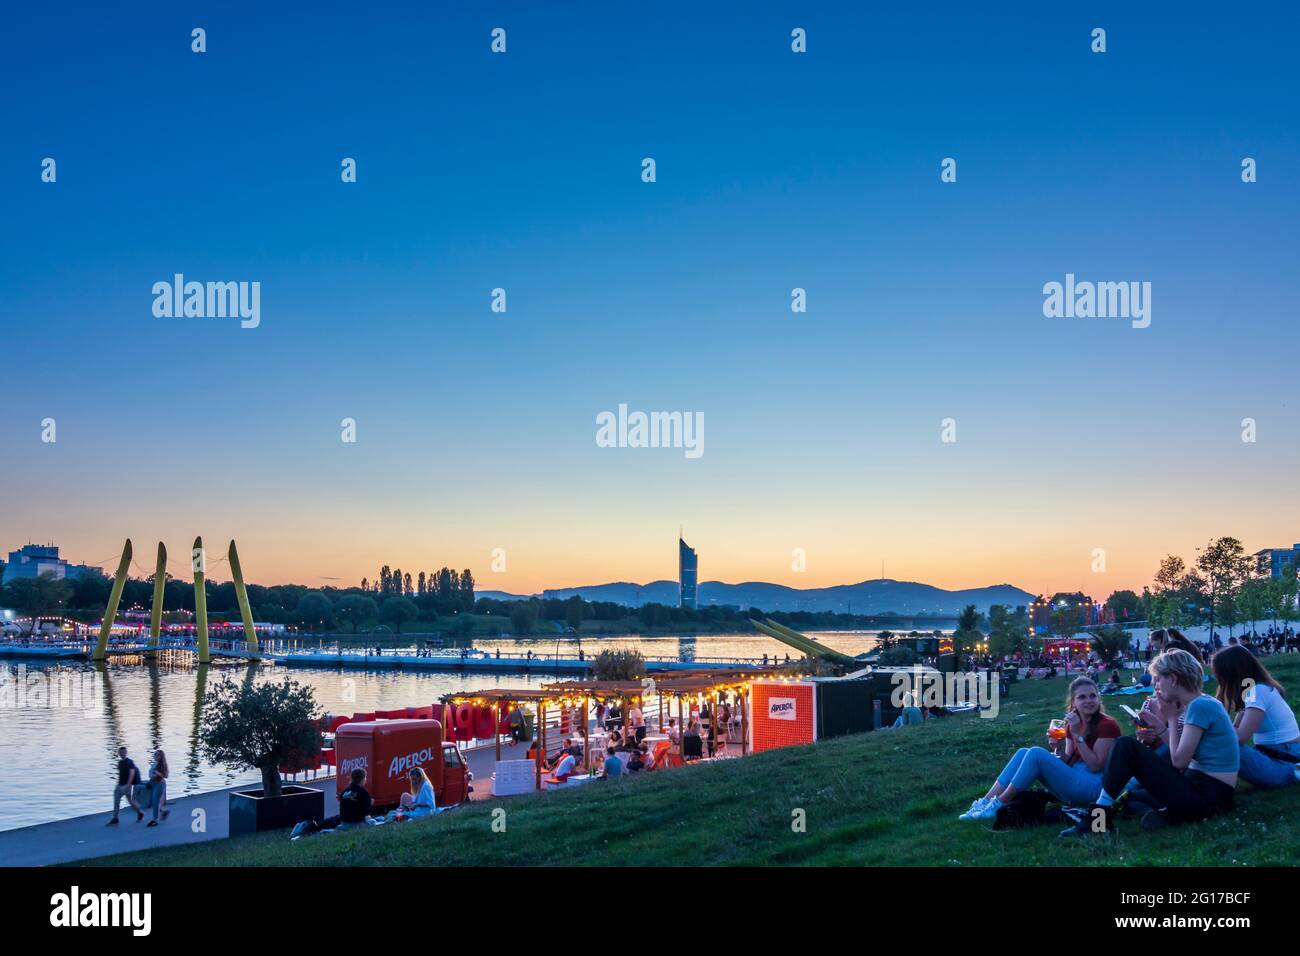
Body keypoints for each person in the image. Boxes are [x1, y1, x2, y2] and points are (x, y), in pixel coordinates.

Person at [1062, 650, 1238, 836]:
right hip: (1198, 786)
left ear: (1173, 679)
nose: (1156, 686)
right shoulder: (1201, 703)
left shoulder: (1200, 707)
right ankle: (1170, 815)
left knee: (1126, 746)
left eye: (1158, 680)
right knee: (1129, 797)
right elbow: (1181, 755)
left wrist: (1170, 718)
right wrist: (1163, 723)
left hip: (1210, 796)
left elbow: (1179, 761)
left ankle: (1098, 818)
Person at [960, 677, 1119, 820]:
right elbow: (1069, 762)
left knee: (1036, 753)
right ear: (1073, 702)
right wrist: (1058, 750)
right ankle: (986, 801)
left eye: (1093, 696)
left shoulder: (1107, 725)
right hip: (1076, 778)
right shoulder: (1073, 723)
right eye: (1082, 697)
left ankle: (1000, 803)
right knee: (1023, 752)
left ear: (1099, 699)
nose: (1089, 700)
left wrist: (1077, 735)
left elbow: (1096, 765)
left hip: (1095, 787)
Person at [1212, 645, 1300, 788]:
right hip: (1275, 754)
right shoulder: (1254, 689)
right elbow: (1234, 728)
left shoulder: (1258, 691)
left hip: (1285, 760)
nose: (1219, 680)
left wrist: (1213, 719)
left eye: (1220, 675)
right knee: (1218, 740)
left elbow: (1240, 737)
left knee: (1225, 746)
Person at [108, 746, 143, 825]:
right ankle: (115, 818)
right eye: (121, 752)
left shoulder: (129, 762)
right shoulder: (120, 763)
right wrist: (118, 784)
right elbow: (121, 774)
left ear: (126, 753)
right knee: (116, 801)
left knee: (130, 801)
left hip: (126, 786)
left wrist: (128, 784)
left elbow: (132, 773)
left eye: (124, 752)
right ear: (119, 753)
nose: (122, 754)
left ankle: (140, 812)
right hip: (119, 785)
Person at [145, 749, 170, 827]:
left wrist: (157, 773)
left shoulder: (162, 765)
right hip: (153, 784)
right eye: (155, 754)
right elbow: (151, 774)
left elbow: (166, 776)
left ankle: (155, 820)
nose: (156, 756)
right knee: (154, 802)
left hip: (159, 785)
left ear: (161, 757)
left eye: (158, 755)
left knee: (155, 802)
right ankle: (164, 811)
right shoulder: (154, 763)